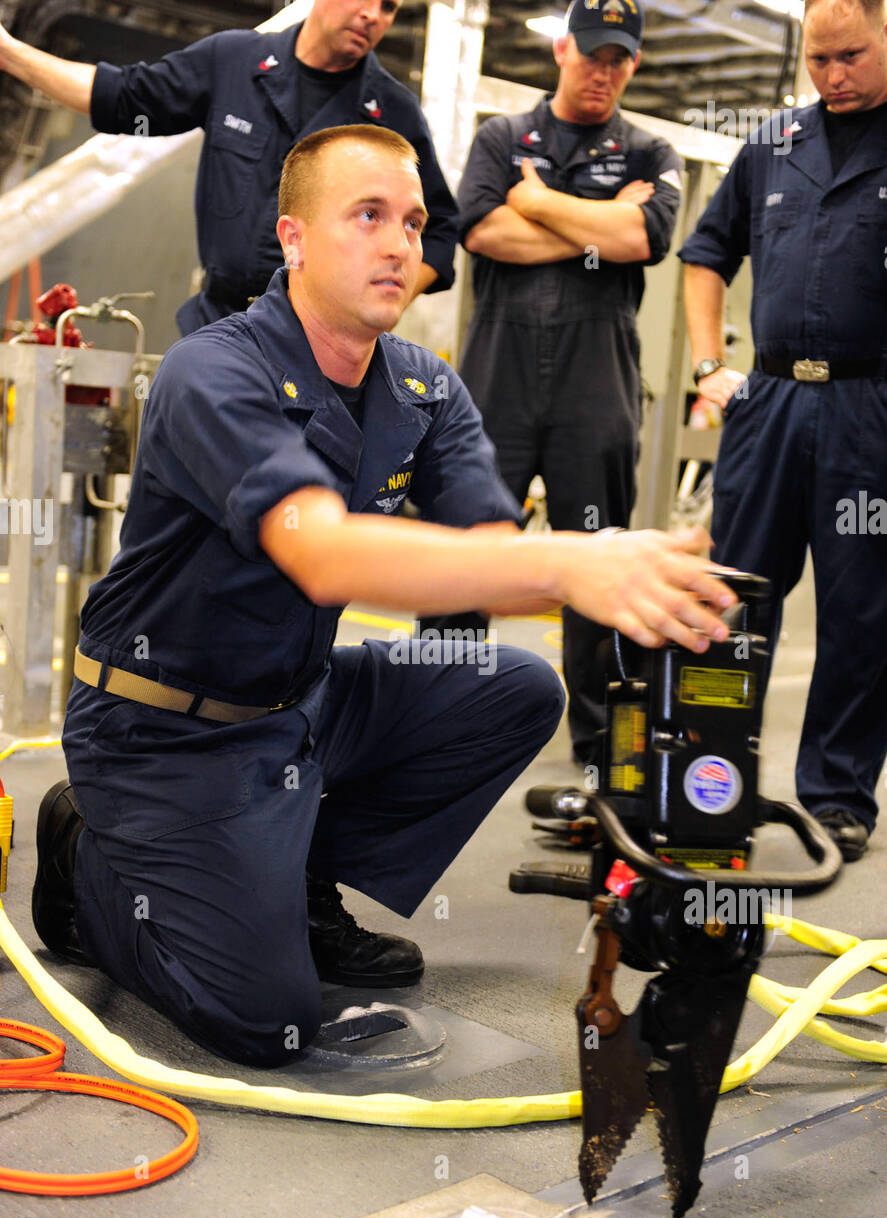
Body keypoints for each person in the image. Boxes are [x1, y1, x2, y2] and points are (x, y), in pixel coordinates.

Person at [32, 125, 736, 1068]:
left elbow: (489, 551)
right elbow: (320, 555)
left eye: (412, 222)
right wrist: (573, 567)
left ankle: (303, 881)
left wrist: (632, 578)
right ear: (292, 238)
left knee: (513, 690)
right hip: (165, 732)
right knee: (263, 1019)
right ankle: (86, 861)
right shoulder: (216, 370)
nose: (401, 244)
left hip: (299, 701)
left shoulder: (420, 386)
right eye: (367, 216)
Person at [680, 0, 887, 862]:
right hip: (767, 405)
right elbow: (704, 253)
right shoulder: (771, 144)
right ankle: (708, 781)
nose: (830, 74)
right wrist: (706, 369)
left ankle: (835, 795)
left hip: (867, 411)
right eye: (817, 58)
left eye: (850, 56)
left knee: (861, 611)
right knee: (732, 597)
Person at [455, 0, 683, 775]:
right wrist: (594, 225)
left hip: (597, 377)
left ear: (635, 64)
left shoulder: (651, 150)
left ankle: (601, 758)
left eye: (619, 59)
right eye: (591, 55)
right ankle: (433, 728)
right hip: (499, 374)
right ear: (561, 50)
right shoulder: (498, 137)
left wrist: (538, 202)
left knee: (599, 563)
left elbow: (642, 239)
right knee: (465, 558)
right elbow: (481, 232)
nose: (603, 71)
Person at [0, 0, 457, 334]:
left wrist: (374, 305)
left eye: (390, 8)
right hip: (219, 325)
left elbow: (439, 231)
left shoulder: (390, 111)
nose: (374, 16)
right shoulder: (233, 63)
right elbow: (121, 99)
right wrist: (9, 53)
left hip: (324, 347)